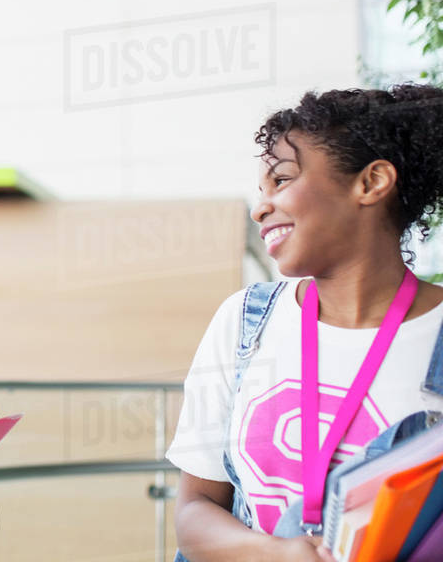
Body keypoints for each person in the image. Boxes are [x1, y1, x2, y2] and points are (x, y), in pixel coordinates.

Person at [166, 84, 443, 561]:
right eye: (261, 190)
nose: (259, 208)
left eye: (282, 181)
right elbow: (195, 511)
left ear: (371, 182)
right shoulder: (244, 323)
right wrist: (278, 553)